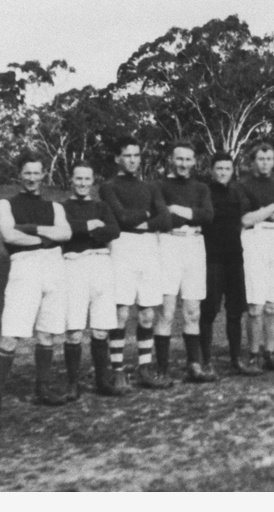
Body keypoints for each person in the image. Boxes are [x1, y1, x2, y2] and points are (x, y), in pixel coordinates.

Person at [0, 154, 72, 416]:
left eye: (37, 173)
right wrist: (45, 237)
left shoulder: (56, 207)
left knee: (47, 331)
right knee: (11, 333)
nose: (32, 178)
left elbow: (65, 233)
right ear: (19, 175)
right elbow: (9, 235)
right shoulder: (6, 204)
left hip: (54, 266)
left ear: (44, 175)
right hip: (24, 267)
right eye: (27, 173)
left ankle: (41, 389)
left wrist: (29, 230)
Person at [99, 136, 173, 389]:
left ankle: (144, 367)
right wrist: (149, 214)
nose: (132, 160)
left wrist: (145, 220)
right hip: (123, 247)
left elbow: (166, 220)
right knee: (120, 312)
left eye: (136, 155)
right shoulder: (108, 187)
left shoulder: (151, 187)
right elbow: (120, 218)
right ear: (117, 158)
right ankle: (118, 370)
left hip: (149, 248)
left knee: (147, 314)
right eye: (127, 155)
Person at [61, 161, 122, 399]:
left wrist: (85, 232)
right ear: (71, 180)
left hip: (101, 263)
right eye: (78, 179)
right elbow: (64, 230)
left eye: (87, 179)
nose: (83, 184)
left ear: (93, 181)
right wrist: (90, 227)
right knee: (74, 328)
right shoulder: (62, 207)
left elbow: (114, 231)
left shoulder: (101, 206)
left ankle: (102, 380)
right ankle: (73, 383)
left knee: (100, 328)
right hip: (75, 265)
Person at [157, 141, 215, 382]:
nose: (183, 164)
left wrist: (178, 209)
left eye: (188, 159)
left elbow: (208, 216)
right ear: (171, 159)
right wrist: (189, 214)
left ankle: (194, 364)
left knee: (192, 310)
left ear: (194, 161)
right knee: (167, 310)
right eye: (179, 159)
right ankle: (161, 368)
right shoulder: (159, 185)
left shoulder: (201, 188)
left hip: (194, 245)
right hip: (169, 244)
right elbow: (162, 218)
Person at [239, 143, 274, 372]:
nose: (265, 163)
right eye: (260, 158)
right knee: (255, 305)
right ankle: (254, 355)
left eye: (269, 158)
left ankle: (270, 352)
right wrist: (272, 208)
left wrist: (262, 212)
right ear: (253, 161)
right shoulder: (243, 186)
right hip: (254, 240)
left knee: (272, 305)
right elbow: (246, 219)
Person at [200, 152, 249, 374]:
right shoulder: (205, 192)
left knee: (235, 310)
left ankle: (236, 358)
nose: (223, 173)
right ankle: (206, 360)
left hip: (234, 256)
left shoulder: (236, 192)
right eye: (219, 169)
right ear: (212, 170)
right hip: (212, 258)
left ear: (233, 170)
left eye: (227, 169)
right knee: (209, 309)